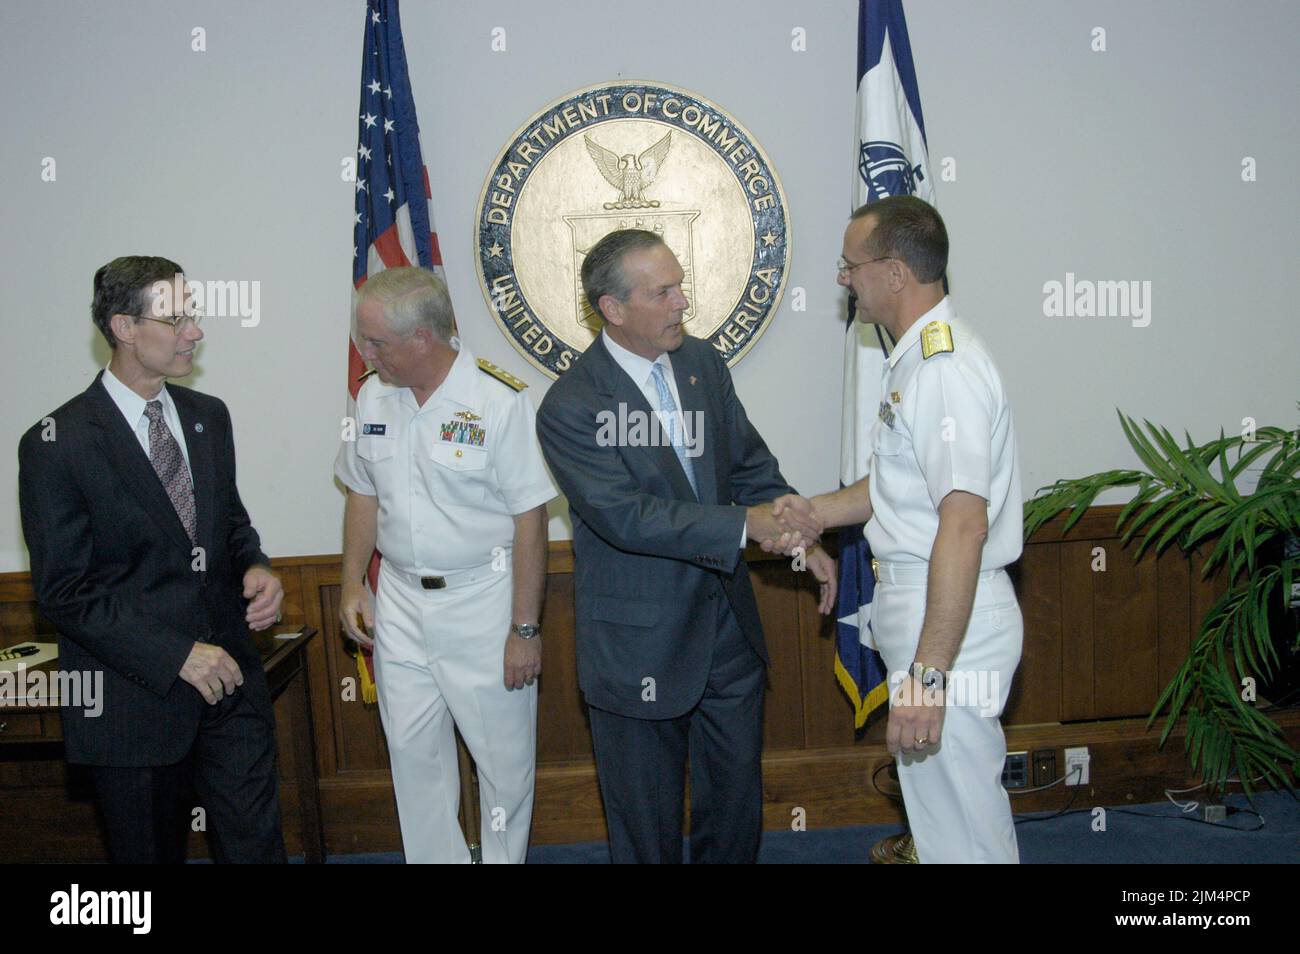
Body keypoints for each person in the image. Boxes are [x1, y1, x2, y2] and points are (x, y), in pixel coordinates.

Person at [535, 228, 835, 864]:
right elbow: (626, 516)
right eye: (663, 292)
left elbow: (750, 467)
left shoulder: (702, 364)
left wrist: (797, 535)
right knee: (646, 824)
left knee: (733, 812)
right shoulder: (571, 404)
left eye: (680, 286)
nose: (682, 304)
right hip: (638, 644)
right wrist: (743, 526)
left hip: (727, 633)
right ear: (612, 309)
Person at [18, 256, 287, 864]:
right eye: (176, 318)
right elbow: (65, 590)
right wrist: (177, 656)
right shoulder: (57, 443)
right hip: (134, 704)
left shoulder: (207, 417)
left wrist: (257, 566)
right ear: (123, 326)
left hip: (233, 686)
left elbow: (230, 524)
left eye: (193, 314)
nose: (195, 331)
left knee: (257, 848)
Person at [780, 196, 1023, 863]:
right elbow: (902, 487)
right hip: (923, 609)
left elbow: (965, 526)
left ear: (893, 273)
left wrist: (929, 676)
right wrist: (818, 513)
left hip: (948, 622)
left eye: (848, 265)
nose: (841, 278)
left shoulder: (944, 369)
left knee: (966, 828)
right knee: (940, 825)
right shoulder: (914, 361)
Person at [335, 266, 554, 864]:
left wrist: (524, 629)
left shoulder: (498, 400)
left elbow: (529, 518)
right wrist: (353, 579)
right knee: (413, 757)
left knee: (502, 762)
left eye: (375, 341)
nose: (363, 351)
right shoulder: (372, 394)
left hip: (483, 601)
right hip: (399, 601)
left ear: (423, 339)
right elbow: (361, 490)